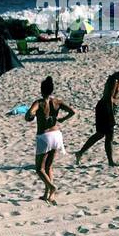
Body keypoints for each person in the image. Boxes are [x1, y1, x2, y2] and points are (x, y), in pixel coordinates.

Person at [76, 64, 119, 167]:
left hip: (110, 108)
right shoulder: (114, 80)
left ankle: (80, 153)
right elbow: (109, 99)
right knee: (108, 136)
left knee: (101, 135)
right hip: (104, 108)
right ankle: (110, 161)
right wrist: (112, 116)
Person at [26, 75, 75, 203]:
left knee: (39, 168)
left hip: (44, 136)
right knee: (49, 167)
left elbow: (29, 114)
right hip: (57, 134)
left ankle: (51, 187)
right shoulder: (57, 102)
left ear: (42, 90)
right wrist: (62, 119)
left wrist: (31, 116)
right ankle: (48, 194)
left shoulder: (39, 102)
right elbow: (72, 112)